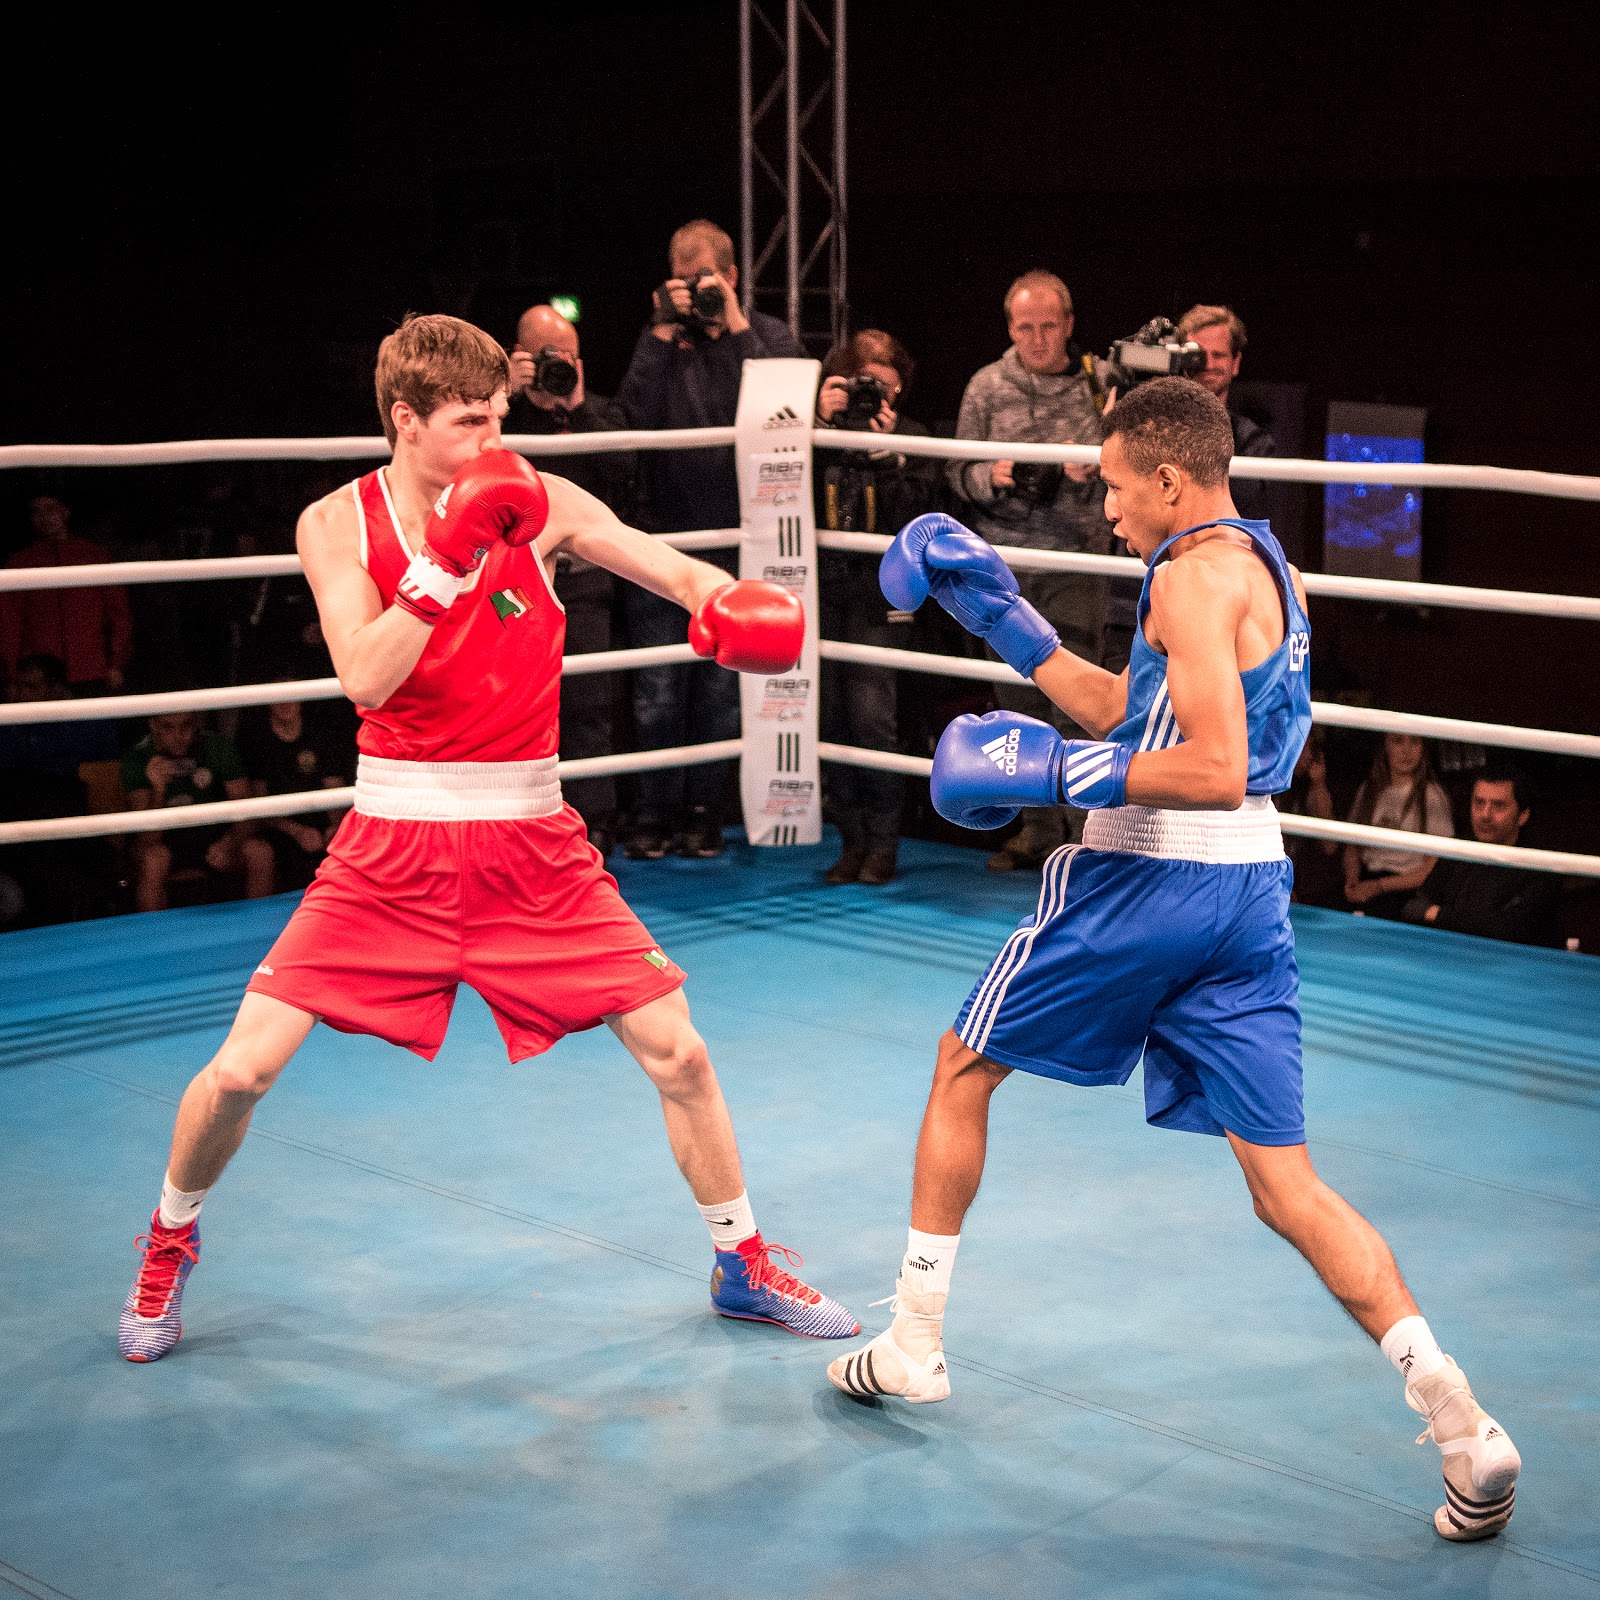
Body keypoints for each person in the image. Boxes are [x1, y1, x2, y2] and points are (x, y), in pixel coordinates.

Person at [827, 378, 1521, 1545]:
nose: (1104, 509)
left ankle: (913, 1340)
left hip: (1151, 879)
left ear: (1166, 476)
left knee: (962, 1064)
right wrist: (1003, 619)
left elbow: (1210, 765)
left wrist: (1052, 773)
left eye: (1112, 486)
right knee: (1286, 1187)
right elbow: (1133, 713)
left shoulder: (1189, 578)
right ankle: (1461, 1419)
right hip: (1248, 894)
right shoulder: (1262, 566)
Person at [118, 314, 856, 1367]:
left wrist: (725, 601)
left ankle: (740, 1263)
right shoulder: (335, 523)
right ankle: (167, 1243)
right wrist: (446, 560)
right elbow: (366, 677)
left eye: (499, 415)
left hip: (532, 845)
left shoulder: (539, 500)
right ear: (406, 419)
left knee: (680, 1051)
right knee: (239, 1074)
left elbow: (671, 570)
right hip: (391, 848)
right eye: (470, 421)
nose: (493, 440)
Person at [617, 220, 804, 860]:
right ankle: (652, 814)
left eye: (705, 277)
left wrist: (734, 325)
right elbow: (633, 417)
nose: (694, 289)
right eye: (683, 277)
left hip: (737, 540)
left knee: (720, 692)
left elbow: (779, 407)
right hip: (659, 543)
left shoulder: (767, 336)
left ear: (730, 276)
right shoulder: (661, 341)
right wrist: (660, 332)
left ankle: (702, 814)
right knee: (658, 693)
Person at [948, 270, 1112, 872]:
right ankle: (1037, 834)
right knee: (1016, 707)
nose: (1037, 338)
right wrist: (989, 475)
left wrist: (1092, 465)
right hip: (1005, 566)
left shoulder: (1100, 385)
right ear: (1009, 327)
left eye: (1048, 326)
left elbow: (1130, 461)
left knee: (1079, 705)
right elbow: (955, 470)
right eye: (1025, 327)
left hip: (1076, 560)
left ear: (1068, 325)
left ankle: (1088, 835)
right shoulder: (986, 385)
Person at [506, 302, 637, 855]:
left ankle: (593, 824)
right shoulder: (497, 413)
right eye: (547, 356)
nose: (558, 365)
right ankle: (519, 826)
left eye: (568, 355)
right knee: (514, 702)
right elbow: (470, 465)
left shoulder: (600, 412)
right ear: (520, 357)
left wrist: (578, 409)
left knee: (589, 702)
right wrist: (508, 395)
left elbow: (626, 478)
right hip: (510, 584)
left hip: (583, 581)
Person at [814, 328, 940, 886]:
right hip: (823, 590)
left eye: (886, 388)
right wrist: (818, 425)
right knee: (831, 721)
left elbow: (923, 520)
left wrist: (889, 458)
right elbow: (782, 494)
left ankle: (883, 843)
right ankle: (850, 840)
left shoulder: (913, 437)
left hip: (880, 595)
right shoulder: (817, 430)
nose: (875, 398)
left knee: (872, 721)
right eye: (864, 385)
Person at [122, 710, 273, 912]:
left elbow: (247, 812)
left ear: (195, 723)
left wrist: (231, 841)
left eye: (185, 726)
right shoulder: (137, 758)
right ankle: (154, 931)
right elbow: (147, 838)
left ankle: (261, 927)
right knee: (153, 860)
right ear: (154, 726)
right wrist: (157, 790)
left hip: (214, 835)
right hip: (165, 840)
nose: (178, 736)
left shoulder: (217, 746)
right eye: (168, 727)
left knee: (260, 852)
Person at [1403, 768, 1564, 946]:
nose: (1485, 815)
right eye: (1479, 803)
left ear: (1522, 816)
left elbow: (1508, 930)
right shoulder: (1459, 848)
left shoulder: (1540, 867)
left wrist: (1438, 914)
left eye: (1498, 806)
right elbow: (1414, 908)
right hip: (1452, 953)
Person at [1, 494, 133, 695]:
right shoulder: (20, 563)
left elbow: (119, 615)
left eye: (50, 509)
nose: (44, 517)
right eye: (36, 512)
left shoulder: (94, 556)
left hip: (90, 668)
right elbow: (9, 623)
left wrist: (117, 664)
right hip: (40, 678)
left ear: (65, 512)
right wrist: (10, 674)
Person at [234, 698, 357, 893]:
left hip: (320, 825)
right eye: (279, 696)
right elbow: (259, 805)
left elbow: (334, 789)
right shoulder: (258, 739)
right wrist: (296, 831)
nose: (285, 703)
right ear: (268, 699)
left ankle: (346, 909)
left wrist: (335, 828)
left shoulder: (320, 733)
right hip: (279, 826)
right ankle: (261, 912)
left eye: (291, 695)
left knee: (349, 844)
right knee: (259, 852)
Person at [1176, 304, 1277, 522]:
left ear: (1235, 363)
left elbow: (1223, 507)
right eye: (1198, 355)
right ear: (1182, 360)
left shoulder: (1253, 442)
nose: (1208, 364)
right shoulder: (1155, 428)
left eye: (1218, 355)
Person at [1343, 733, 1454, 920]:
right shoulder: (1369, 790)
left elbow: (1434, 867)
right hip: (1367, 879)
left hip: (1405, 888)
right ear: (1385, 747)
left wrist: (1380, 886)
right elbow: (1352, 848)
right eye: (1398, 741)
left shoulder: (1432, 796)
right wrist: (1352, 881)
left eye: (1414, 742)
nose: (1406, 751)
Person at [1278, 726, 1342, 905]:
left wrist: (1319, 784)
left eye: (1311, 747)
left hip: (1303, 884)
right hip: (1273, 876)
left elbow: (1329, 845)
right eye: (1303, 746)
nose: (1308, 755)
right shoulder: (1268, 784)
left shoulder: (1312, 785)